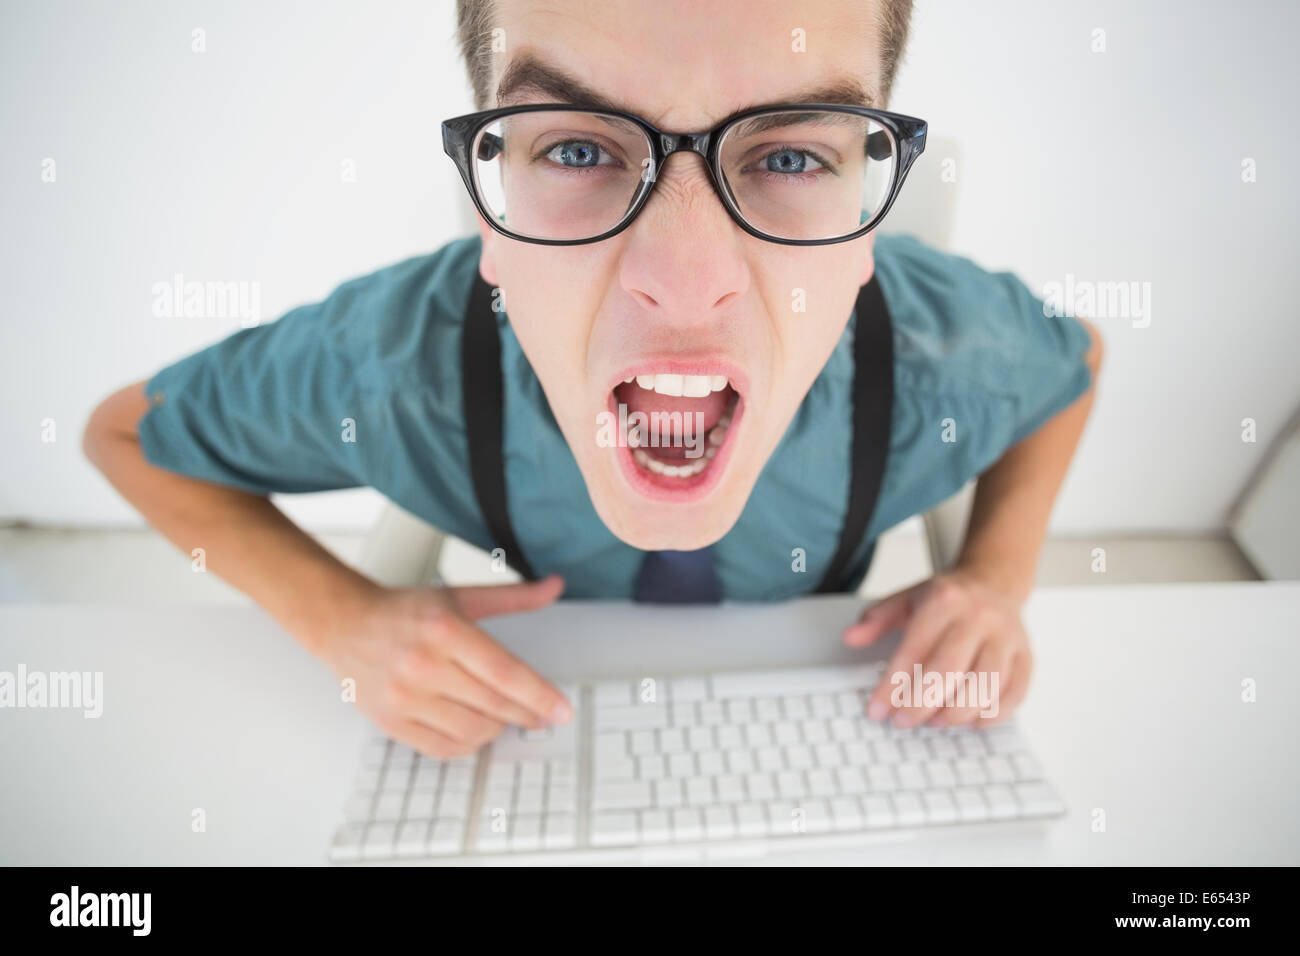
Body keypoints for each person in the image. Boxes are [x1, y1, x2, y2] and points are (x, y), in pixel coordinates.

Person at [83, 0, 1103, 758]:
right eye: (577, 146)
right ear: (484, 214)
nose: (686, 285)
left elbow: (1078, 362)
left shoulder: (937, 350)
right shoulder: (395, 366)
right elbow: (123, 433)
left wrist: (994, 576)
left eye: (790, 158)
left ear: (869, 228)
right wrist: (338, 617)